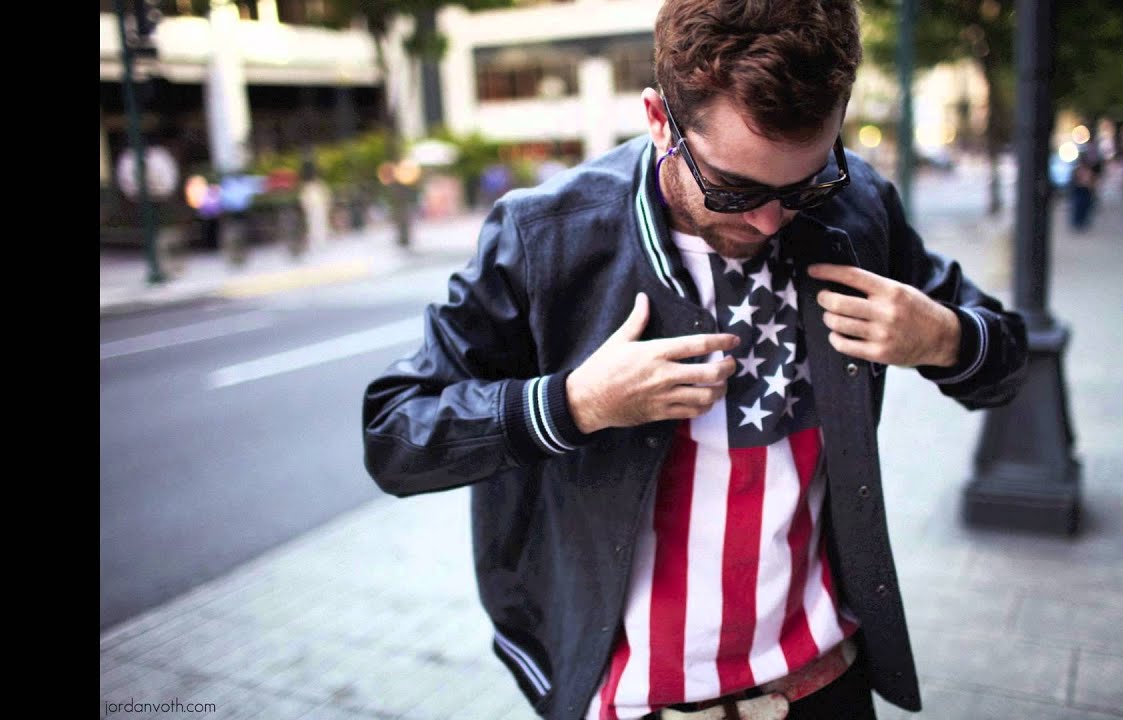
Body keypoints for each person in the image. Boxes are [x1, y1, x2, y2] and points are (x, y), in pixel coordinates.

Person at [362, 2, 1029, 718]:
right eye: (734, 189)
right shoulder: (546, 236)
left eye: (805, 184)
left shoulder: (856, 204)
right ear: (659, 119)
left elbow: (1007, 362)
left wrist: (945, 339)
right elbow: (396, 436)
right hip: (632, 698)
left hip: (823, 679)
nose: (769, 219)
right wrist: (574, 404)